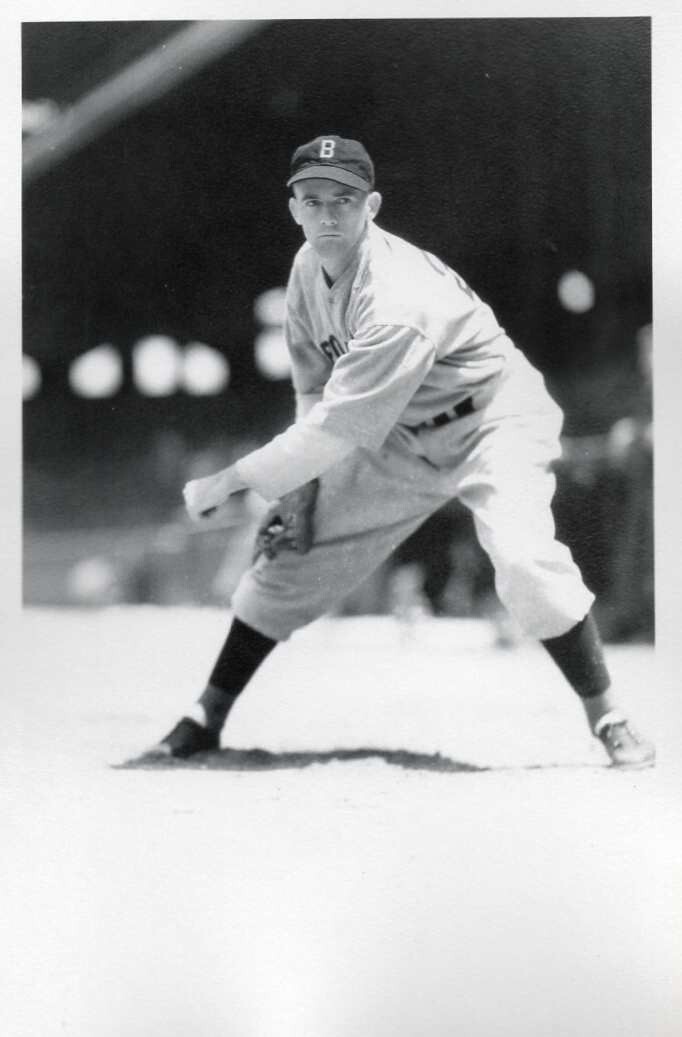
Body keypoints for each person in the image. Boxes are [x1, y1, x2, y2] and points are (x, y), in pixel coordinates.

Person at [154, 134, 654, 769]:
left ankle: (608, 714)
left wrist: (232, 479)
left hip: (489, 421)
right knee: (287, 558)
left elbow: (335, 429)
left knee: (526, 564)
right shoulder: (307, 271)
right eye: (313, 200)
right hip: (396, 435)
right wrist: (299, 489)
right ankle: (206, 714)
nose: (328, 214)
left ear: (373, 206)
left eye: (345, 200)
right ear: (294, 209)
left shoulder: (398, 298)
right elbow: (315, 391)